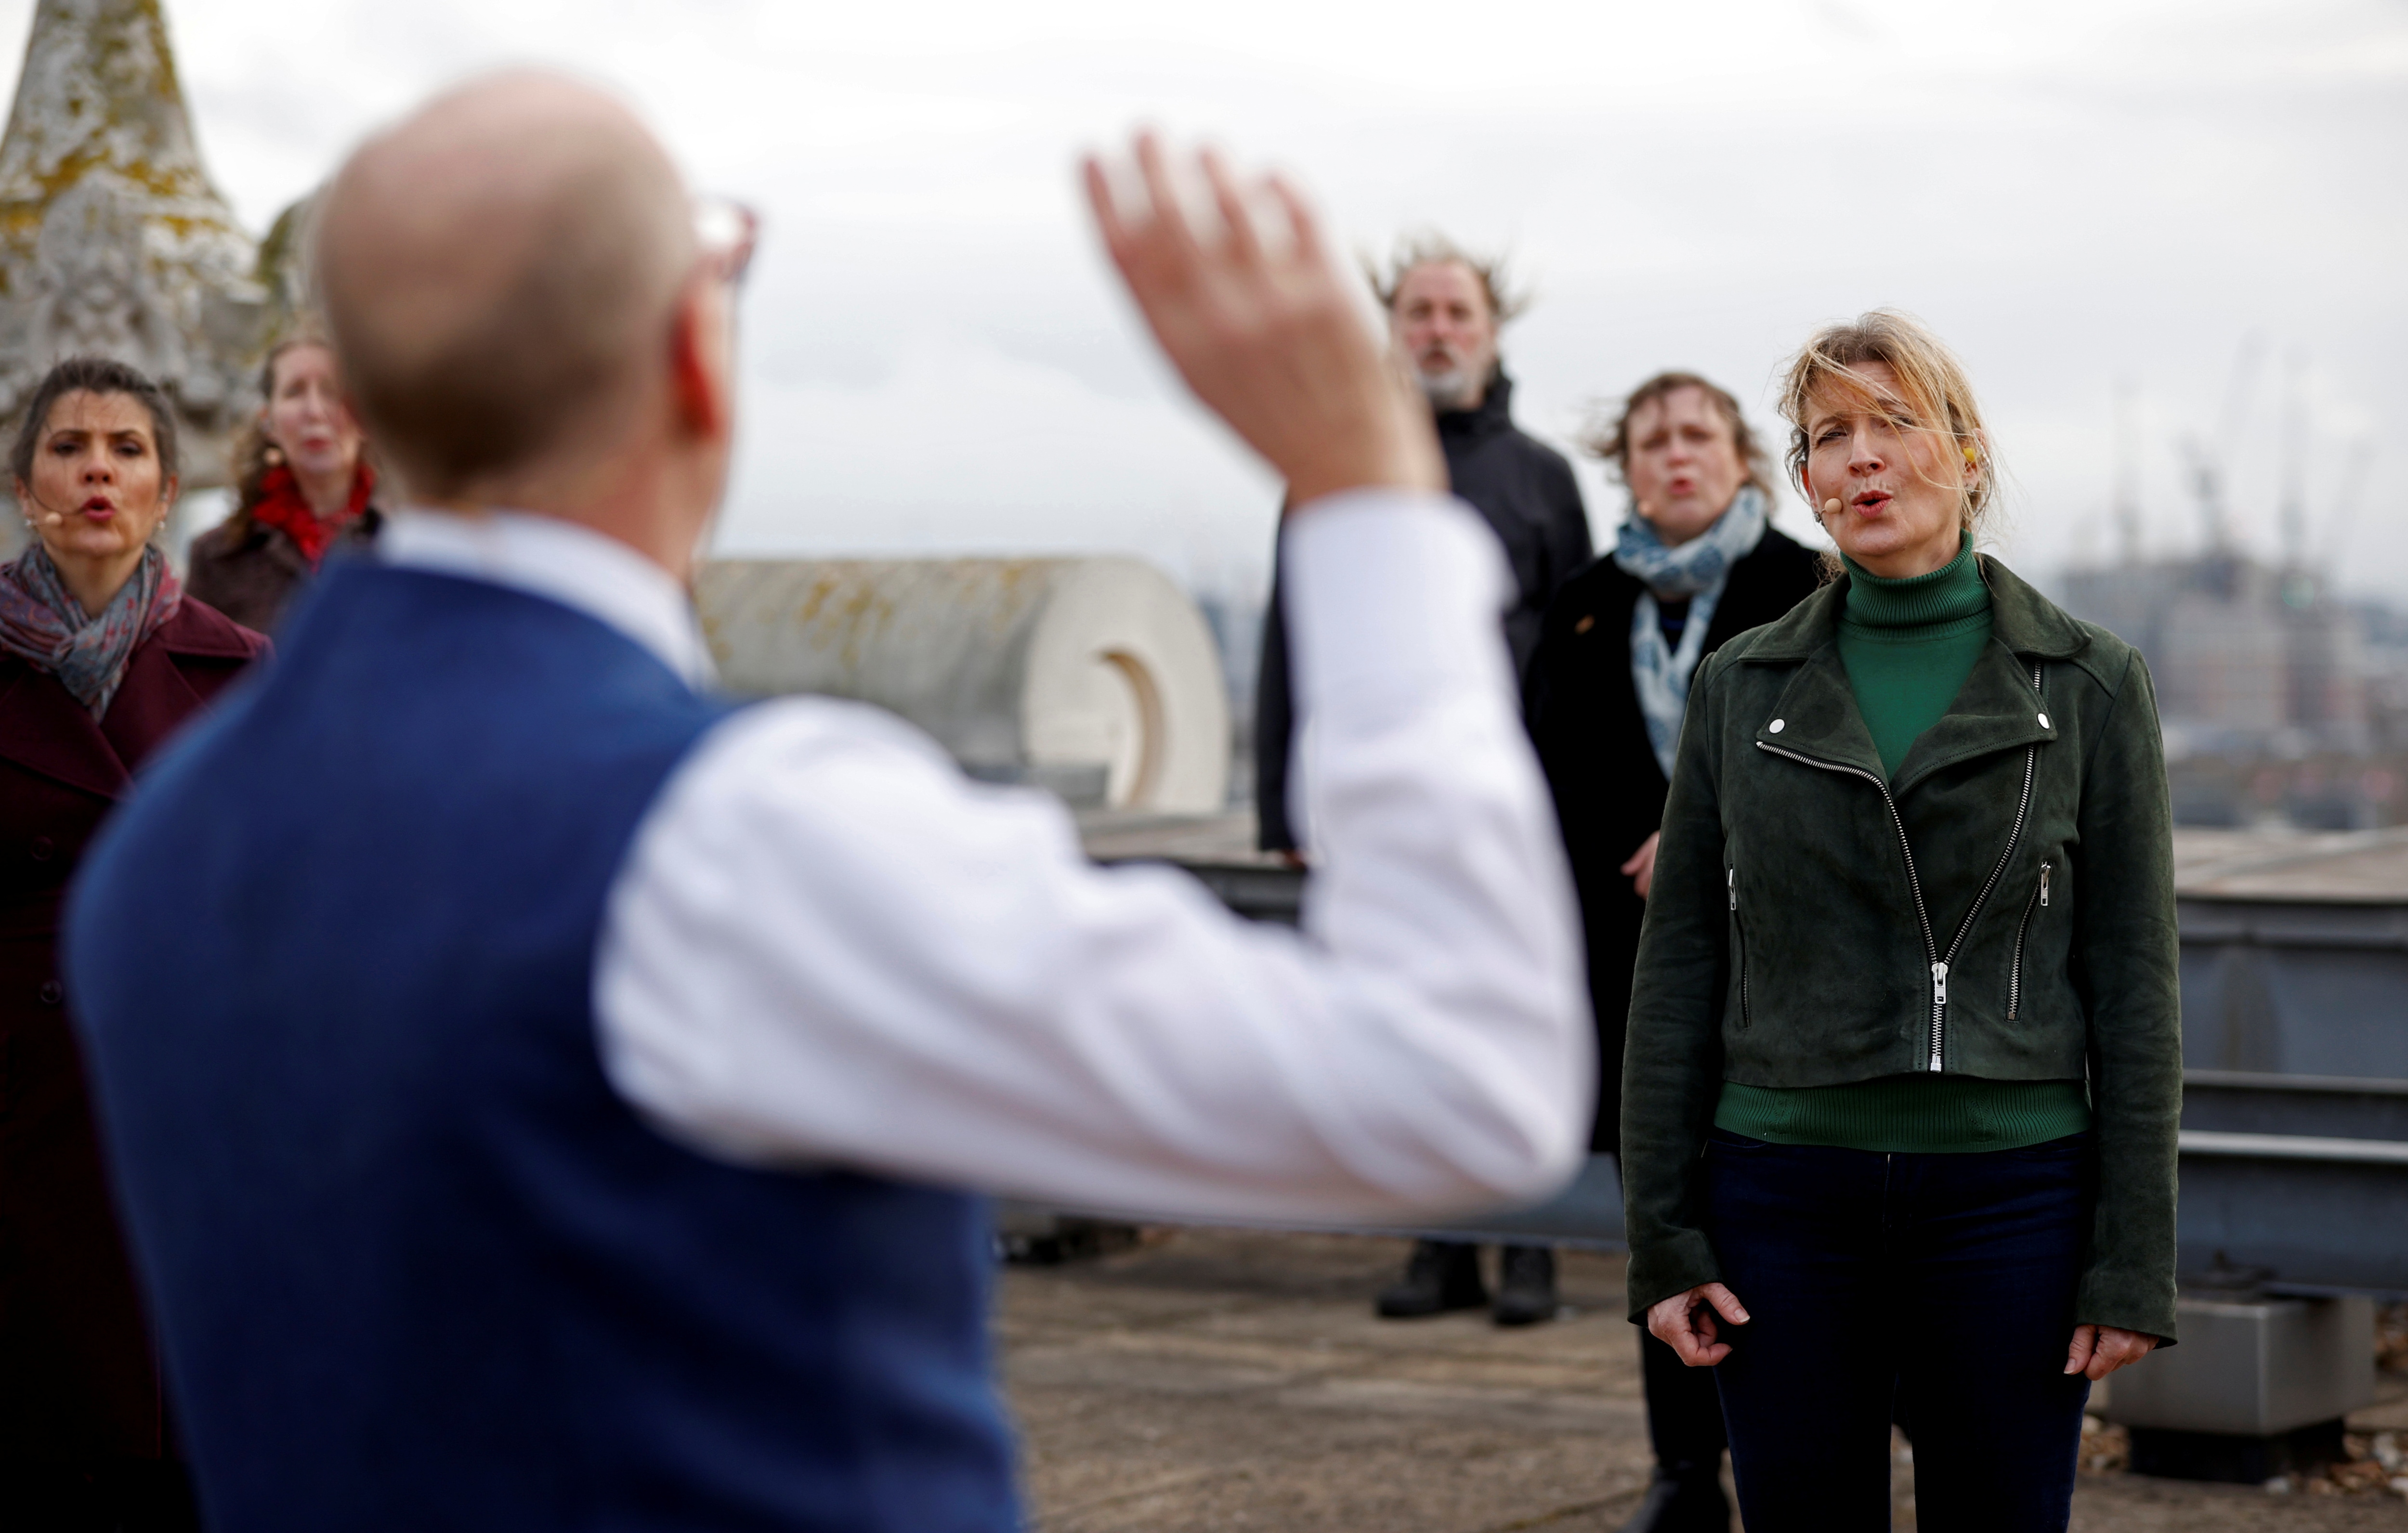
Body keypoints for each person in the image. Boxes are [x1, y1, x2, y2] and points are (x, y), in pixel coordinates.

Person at [62, 76, 1591, 1533]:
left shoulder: (161, 846)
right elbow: (1461, 1075)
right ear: (692, 356)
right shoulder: (733, 837)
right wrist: (1371, 495)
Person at [1620, 311, 2180, 1533]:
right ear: (1807, 483)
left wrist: (2131, 1253)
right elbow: (1679, 971)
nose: (1861, 456)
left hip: (2012, 1199)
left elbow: (2134, 978)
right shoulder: (1743, 685)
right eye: (1828, 435)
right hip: (1779, 1197)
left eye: (1894, 422)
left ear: (1967, 454)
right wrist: (1662, 1233)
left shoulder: (2087, 683)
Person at [1256, 235, 1591, 1327]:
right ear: (1391, 331)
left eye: (1456, 313)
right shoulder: (1336, 468)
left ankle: (1531, 1249)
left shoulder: (1541, 475)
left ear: (1491, 334)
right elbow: (1286, 637)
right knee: (1395, 1012)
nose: (1437, 331)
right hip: (1380, 805)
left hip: (1522, 799)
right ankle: (1436, 1246)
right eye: (1417, 313)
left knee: (1523, 1007)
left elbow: (1580, 646)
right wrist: (1280, 803)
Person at [1524, 372, 1821, 1532]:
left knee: (1777, 1204)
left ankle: (1795, 1447)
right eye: (1653, 440)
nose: (1676, 454)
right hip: (1626, 950)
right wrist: (1630, 842)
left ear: (1741, 456)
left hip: (1778, 949)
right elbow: (1545, 761)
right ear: (1627, 465)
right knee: (1662, 1206)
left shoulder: (1802, 582)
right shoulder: (1587, 600)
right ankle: (1682, 1467)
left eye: (1698, 433)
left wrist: (1703, 842)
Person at [0, 356, 266, 1531]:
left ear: (166, 493)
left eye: (125, 449)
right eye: (67, 446)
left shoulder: (245, 677)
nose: (95, 468)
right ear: (23, 486)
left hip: (183, 1134)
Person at [186, 333, 382, 633]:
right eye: (294, 392)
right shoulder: (218, 559)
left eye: (332, 391)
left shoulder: (410, 540)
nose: (315, 411)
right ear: (269, 422)